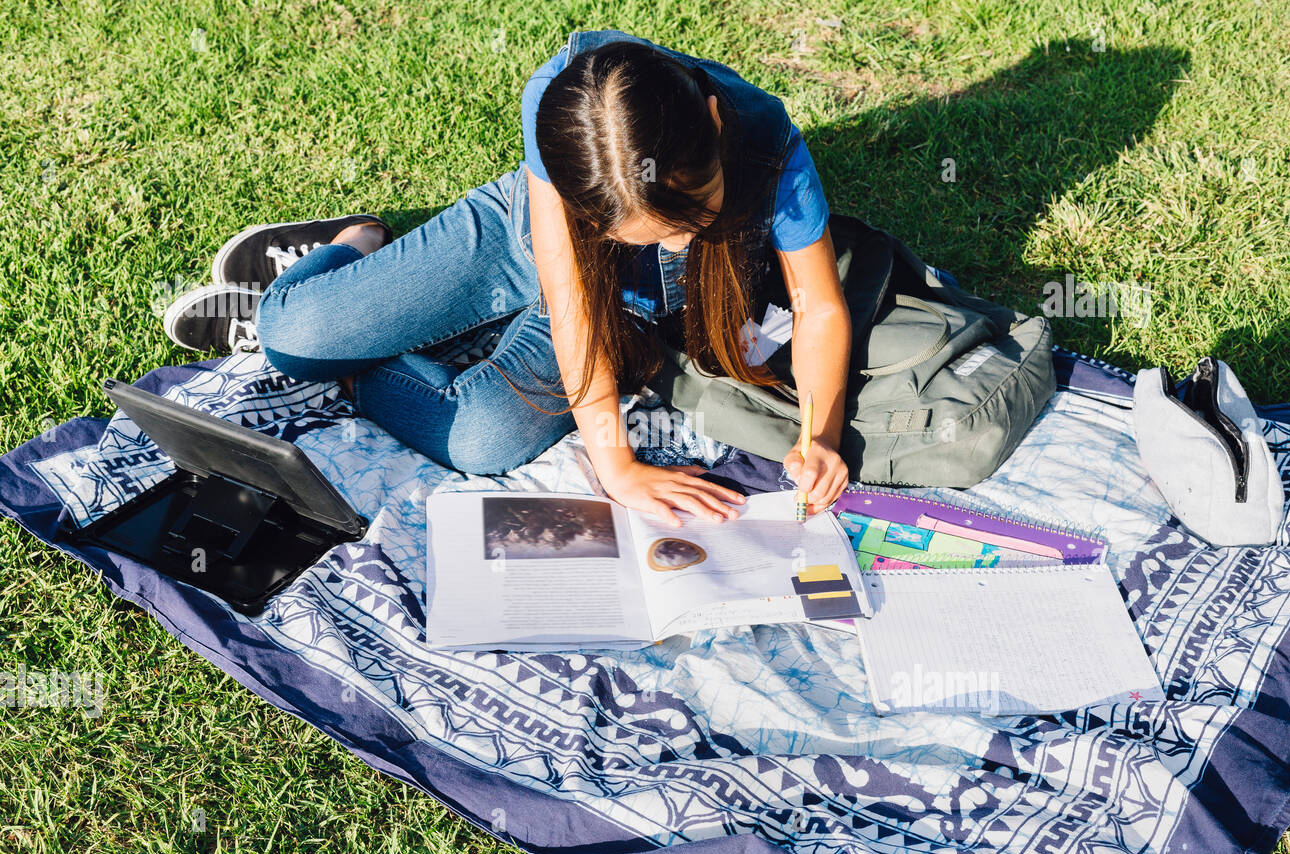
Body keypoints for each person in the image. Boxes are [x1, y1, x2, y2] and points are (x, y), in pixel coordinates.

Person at [161, 30, 852, 527]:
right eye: (648, 232)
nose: (678, 242)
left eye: (688, 221)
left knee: (483, 438)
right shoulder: (564, 101)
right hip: (523, 245)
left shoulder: (768, 144)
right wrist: (614, 464)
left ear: (711, 122)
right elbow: (570, 294)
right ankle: (354, 243)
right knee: (291, 338)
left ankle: (370, 358)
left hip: (631, 307)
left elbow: (817, 307)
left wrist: (820, 435)